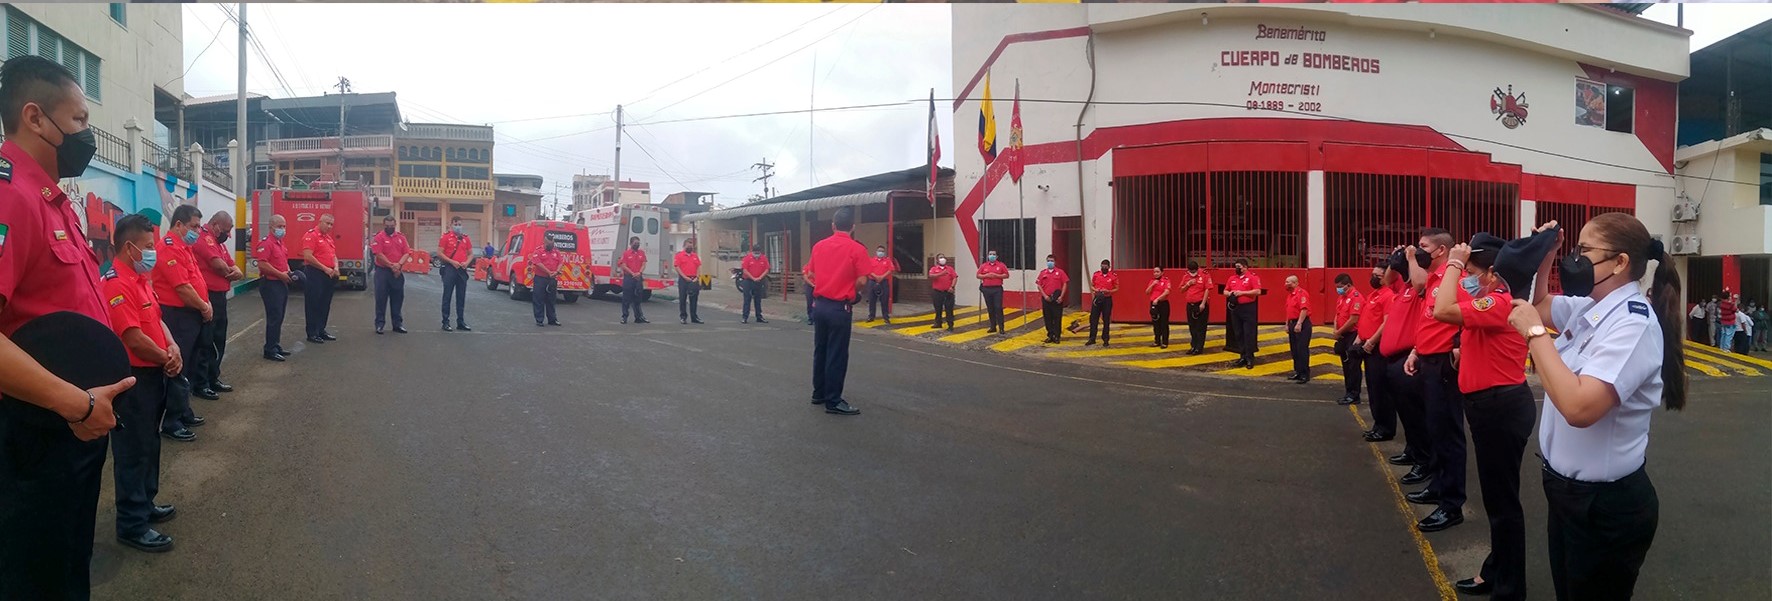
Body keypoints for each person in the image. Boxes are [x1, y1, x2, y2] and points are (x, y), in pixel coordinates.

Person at [0, 55, 133, 597]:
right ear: (35, 118)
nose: (87, 136)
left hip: (73, 426)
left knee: (67, 563)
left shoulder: (54, 200)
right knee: (35, 574)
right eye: (78, 122)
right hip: (37, 432)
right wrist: (76, 405)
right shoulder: (11, 195)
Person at [1507, 213, 1685, 601]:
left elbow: (1579, 408)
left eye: (1584, 251)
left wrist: (1536, 335)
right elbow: (1538, 304)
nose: (1576, 259)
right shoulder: (1591, 308)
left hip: (1603, 508)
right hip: (1567, 495)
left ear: (1621, 262)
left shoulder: (1632, 324)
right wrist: (1545, 253)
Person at [1432, 232, 1540, 600]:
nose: (1466, 278)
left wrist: (1454, 262)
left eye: (1473, 271)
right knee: (1497, 501)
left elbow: (1441, 309)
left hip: (1500, 408)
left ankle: (1509, 589)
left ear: (1492, 274)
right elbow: (1442, 300)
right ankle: (1496, 570)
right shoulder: (1485, 298)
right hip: (1489, 407)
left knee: (1504, 504)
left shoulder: (1499, 301)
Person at [101, 214, 181, 553]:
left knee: (150, 444)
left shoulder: (140, 276)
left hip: (153, 374)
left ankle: (146, 504)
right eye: (149, 247)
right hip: (132, 380)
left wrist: (172, 345)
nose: (154, 252)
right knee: (133, 450)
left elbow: (157, 320)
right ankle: (132, 523)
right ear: (130, 247)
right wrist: (166, 357)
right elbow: (132, 337)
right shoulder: (116, 282)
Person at [1403, 227, 1467, 533]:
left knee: (1449, 434)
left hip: (1444, 365)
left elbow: (1467, 317)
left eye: (1423, 246)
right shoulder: (1433, 281)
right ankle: (1439, 485)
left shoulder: (1456, 279)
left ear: (1441, 250)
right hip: (1428, 361)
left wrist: (1458, 349)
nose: (1418, 250)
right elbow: (1429, 320)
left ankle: (1452, 504)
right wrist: (1416, 350)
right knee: (1435, 430)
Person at [805, 206, 876, 416]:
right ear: (852, 227)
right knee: (837, 354)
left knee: (821, 350)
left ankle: (819, 393)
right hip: (839, 307)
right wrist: (855, 294)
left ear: (833, 225)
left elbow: (810, 273)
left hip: (820, 305)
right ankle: (833, 400)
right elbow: (863, 279)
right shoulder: (857, 249)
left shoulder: (819, 246)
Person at [152, 204, 209, 443]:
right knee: (177, 367)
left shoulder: (184, 248)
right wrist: (204, 306)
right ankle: (172, 421)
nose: (197, 231)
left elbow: (193, 281)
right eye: (194, 226)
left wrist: (203, 304)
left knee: (189, 364)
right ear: (179, 225)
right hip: (177, 315)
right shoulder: (168, 248)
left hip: (190, 315)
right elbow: (182, 288)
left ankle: (183, 411)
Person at [1380, 246, 1433, 487]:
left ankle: (1424, 461)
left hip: (1407, 360)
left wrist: (1411, 257)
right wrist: (1395, 259)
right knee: (1407, 414)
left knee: (1416, 415)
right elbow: (1387, 278)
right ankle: (1413, 450)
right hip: (1393, 361)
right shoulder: (1403, 288)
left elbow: (1421, 283)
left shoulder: (1421, 288)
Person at [190, 211, 242, 398]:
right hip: (208, 296)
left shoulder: (218, 243)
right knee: (206, 342)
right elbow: (219, 266)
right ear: (216, 225)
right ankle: (201, 383)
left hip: (220, 297)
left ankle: (213, 377)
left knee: (218, 339)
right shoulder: (205, 238)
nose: (227, 236)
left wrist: (234, 270)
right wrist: (232, 271)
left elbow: (232, 265)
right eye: (226, 231)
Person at [1355, 261, 1397, 439]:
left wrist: (1372, 341)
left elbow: (1386, 322)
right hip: (1366, 346)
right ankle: (1377, 424)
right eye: (1373, 274)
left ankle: (1385, 428)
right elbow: (1366, 318)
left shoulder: (1388, 296)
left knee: (1381, 390)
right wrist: (1359, 337)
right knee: (1372, 388)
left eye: (1377, 276)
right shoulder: (1373, 295)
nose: (1373, 278)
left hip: (1377, 347)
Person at [253, 216, 294, 362]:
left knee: (280, 316)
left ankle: (275, 345)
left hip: (281, 283)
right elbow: (263, 264)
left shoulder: (280, 243)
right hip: (270, 284)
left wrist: (288, 271)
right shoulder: (266, 243)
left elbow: (283, 262)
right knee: (274, 317)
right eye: (279, 226)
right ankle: (269, 349)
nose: (282, 229)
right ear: (271, 227)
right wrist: (280, 275)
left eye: (284, 226)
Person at [302, 213, 340, 344]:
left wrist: (336, 267)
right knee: (313, 304)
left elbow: (334, 255)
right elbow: (308, 256)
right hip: (315, 273)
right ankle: (312, 333)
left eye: (331, 224)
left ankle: (321, 330)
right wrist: (325, 268)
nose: (329, 226)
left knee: (325, 304)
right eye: (327, 223)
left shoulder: (328, 238)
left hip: (329, 275)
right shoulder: (311, 235)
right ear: (320, 222)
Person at [369, 215, 409, 335]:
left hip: (397, 271)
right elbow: (378, 254)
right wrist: (392, 266)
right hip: (383, 272)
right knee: (381, 299)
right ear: (384, 225)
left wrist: (399, 265)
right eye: (387, 226)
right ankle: (379, 324)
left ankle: (397, 324)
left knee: (397, 299)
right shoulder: (379, 237)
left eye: (392, 226)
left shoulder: (401, 237)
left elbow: (407, 252)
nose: (390, 228)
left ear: (395, 224)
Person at [1329, 273, 1364, 403]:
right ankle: (1348, 392)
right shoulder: (1342, 297)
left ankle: (1354, 395)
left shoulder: (1356, 297)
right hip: (1343, 335)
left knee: (1353, 366)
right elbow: (1337, 315)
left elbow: (1353, 319)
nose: (1338, 289)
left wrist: (1339, 331)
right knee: (1346, 366)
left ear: (1348, 285)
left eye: (1340, 287)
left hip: (1353, 335)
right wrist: (1335, 330)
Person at [438, 216, 474, 332]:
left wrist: (466, 263)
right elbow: (440, 253)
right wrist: (452, 261)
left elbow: (470, 254)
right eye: (456, 224)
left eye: (459, 224)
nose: (458, 226)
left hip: (462, 269)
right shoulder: (446, 237)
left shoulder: (465, 238)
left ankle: (460, 321)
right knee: (447, 295)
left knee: (461, 296)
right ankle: (445, 321)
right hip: (450, 268)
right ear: (451, 225)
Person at [1224, 258, 1262, 368]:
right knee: (1238, 333)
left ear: (1245, 267)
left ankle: (1250, 357)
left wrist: (1242, 293)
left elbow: (1258, 291)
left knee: (1248, 333)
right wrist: (1230, 293)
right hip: (1236, 309)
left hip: (1248, 308)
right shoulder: (1232, 278)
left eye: (1239, 267)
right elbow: (1225, 291)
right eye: (1236, 266)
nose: (1237, 269)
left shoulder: (1252, 277)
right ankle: (1242, 356)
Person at [528, 236, 564, 327]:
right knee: (539, 299)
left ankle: (552, 319)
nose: (551, 245)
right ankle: (539, 320)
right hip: (541, 278)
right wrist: (548, 272)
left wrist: (556, 271)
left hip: (552, 279)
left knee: (551, 299)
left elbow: (560, 262)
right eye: (549, 244)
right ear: (544, 242)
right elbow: (537, 263)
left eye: (552, 244)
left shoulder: (556, 251)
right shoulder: (538, 251)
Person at [1283, 275, 1312, 383]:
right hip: (1292, 323)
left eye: (1288, 282)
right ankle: (1298, 372)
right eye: (1285, 282)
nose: (1286, 284)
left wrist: (1299, 323)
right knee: (1294, 350)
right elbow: (1288, 311)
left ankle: (1305, 374)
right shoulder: (1290, 295)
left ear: (1295, 283)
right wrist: (1287, 324)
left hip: (1302, 324)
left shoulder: (1301, 294)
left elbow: (1304, 309)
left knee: (1302, 349)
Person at [1179, 261, 1212, 354]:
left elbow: (1207, 289)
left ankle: (1199, 347)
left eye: (1194, 271)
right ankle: (1193, 345)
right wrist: (1188, 284)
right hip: (1190, 305)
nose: (1193, 273)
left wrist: (1203, 303)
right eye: (1191, 272)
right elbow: (1181, 290)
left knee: (1200, 327)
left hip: (1200, 304)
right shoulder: (1186, 276)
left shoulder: (1204, 274)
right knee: (1192, 327)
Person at [1036, 254, 1069, 344]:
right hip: (1046, 299)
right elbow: (1039, 285)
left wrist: (1061, 296)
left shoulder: (1060, 272)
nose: (1050, 262)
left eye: (1052, 261)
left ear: (1055, 262)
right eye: (1048, 261)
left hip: (1057, 298)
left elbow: (1065, 284)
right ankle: (1050, 335)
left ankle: (1057, 336)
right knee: (1047, 318)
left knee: (1057, 318)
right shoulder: (1043, 273)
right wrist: (1045, 296)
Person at [1086, 259, 1118, 346]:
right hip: (1097, 298)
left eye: (1105, 266)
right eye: (1102, 266)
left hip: (1107, 299)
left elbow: (1116, 288)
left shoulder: (1113, 276)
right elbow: (1092, 285)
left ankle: (1106, 339)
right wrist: (1096, 290)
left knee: (1106, 319)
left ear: (1109, 267)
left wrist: (1109, 290)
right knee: (1093, 319)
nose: (1104, 268)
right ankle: (1092, 338)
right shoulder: (1096, 275)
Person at [977, 250, 1010, 334]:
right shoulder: (984, 265)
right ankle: (992, 326)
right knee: (990, 308)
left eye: (994, 254)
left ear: (997, 256)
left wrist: (996, 276)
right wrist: (986, 276)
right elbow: (978, 275)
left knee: (998, 307)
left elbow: (1006, 275)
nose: (992, 256)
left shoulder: (1001, 265)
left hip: (997, 289)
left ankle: (1001, 327)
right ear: (988, 256)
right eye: (990, 254)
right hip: (987, 289)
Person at [619, 236, 650, 325]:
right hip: (629, 277)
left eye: (638, 243)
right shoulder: (626, 253)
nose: (637, 244)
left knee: (638, 298)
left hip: (638, 278)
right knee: (626, 299)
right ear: (631, 243)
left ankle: (639, 317)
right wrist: (632, 273)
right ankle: (624, 317)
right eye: (635, 243)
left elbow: (644, 264)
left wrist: (639, 272)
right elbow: (623, 265)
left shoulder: (641, 253)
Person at [865, 245, 897, 323]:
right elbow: (868, 270)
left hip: (884, 282)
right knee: (872, 300)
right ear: (876, 252)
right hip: (873, 281)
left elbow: (891, 270)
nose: (880, 252)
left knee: (884, 300)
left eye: (882, 251)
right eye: (879, 251)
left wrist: (882, 277)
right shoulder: (871, 260)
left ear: (884, 252)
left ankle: (885, 317)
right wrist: (876, 276)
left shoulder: (887, 261)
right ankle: (871, 316)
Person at [739, 244, 769, 324]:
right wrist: (753, 278)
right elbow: (745, 270)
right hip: (748, 281)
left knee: (758, 299)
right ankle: (745, 317)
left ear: (760, 252)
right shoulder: (747, 258)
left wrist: (760, 277)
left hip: (759, 281)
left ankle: (759, 317)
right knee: (747, 299)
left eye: (758, 252)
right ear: (752, 251)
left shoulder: (763, 258)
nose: (757, 254)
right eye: (755, 252)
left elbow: (766, 269)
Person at [675, 238, 703, 325]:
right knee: (683, 299)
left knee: (694, 299)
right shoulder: (679, 255)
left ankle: (694, 317)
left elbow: (698, 267)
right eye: (688, 246)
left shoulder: (695, 256)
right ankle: (683, 317)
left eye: (691, 246)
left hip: (694, 279)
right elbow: (677, 267)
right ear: (684, 246)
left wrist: (697, 277)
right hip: (683, 279)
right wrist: (684, 277)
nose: (690, 248)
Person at [928, 253, 958, 330]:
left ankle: (950, 325)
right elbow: (931, 276)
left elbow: (954, 277)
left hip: (948, 292)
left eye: (943, 257)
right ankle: (938, 323)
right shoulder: (934, 269)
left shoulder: (950, 269)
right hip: (937, 292)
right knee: (938, 308)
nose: (943, 259)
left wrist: (952, 287)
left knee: (949, 309)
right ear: (937, 260)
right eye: (941, 257)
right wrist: (942, 273)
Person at [1147, 267, 1174, 349]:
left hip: (1163, 303)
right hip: (1154, 304)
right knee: (1155, 323)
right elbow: (1147, 292)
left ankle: (1165, 342)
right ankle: (1157, 341)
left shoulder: (1166, 280)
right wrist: (1152, 285)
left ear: (1162, 272)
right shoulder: (1152, 281)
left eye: (1157, 272)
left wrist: (1158, 299)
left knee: (1164, 323)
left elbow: (1167, 291)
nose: (1155, 273)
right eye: (1154, 272)